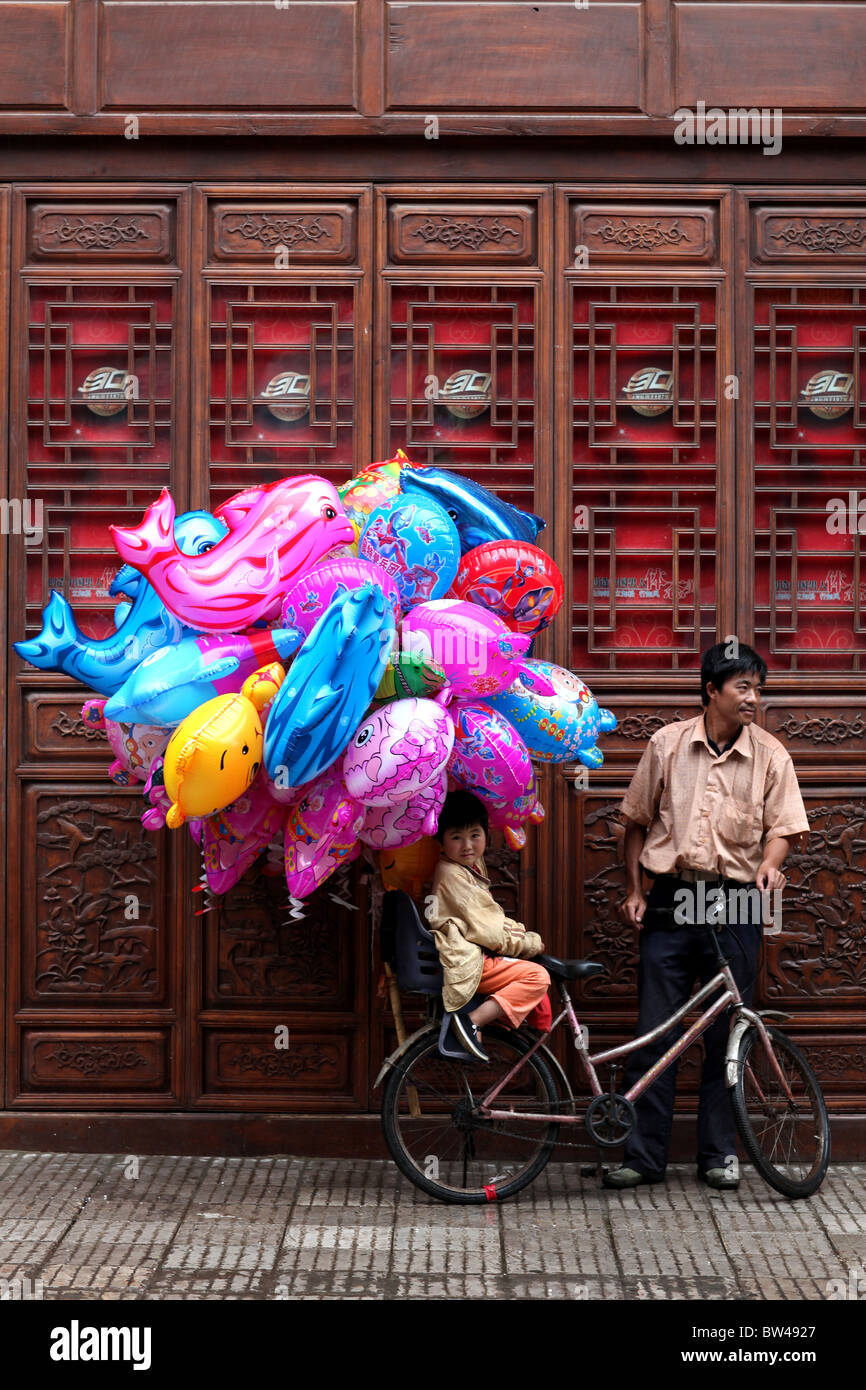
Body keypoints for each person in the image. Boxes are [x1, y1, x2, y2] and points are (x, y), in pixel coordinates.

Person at [606, 640, 809, 1191]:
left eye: (757, 688)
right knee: (657, 1030)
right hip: (673, 897)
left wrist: (769, 866)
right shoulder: (666, 745)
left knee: (728, 1033)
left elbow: (783, 831)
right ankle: (643, 1157)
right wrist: (635, 889)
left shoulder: (772, 755)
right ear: (711, 691)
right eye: (743, 687)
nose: (753, 698)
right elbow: (636, 822)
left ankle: (719, 1154)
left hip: (736, 901)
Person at [424, 790, 550, 1063]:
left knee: (534, 978)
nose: (467, 845)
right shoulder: (454, 876)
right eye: (457, 837)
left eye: (475, 835)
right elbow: (490, 933)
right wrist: (529, 943)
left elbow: (491, 919)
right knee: (537, 977)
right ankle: (472, 1022)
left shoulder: (464, 867)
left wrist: (521, 935)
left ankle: (494, 1025)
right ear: (441, 840)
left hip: (472, 955)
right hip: (467, 961)